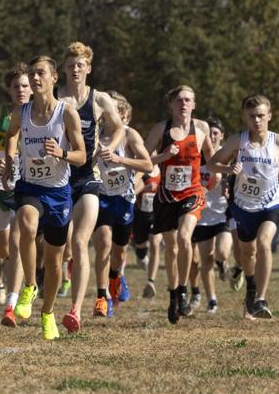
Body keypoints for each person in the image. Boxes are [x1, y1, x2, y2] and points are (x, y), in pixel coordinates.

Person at [3, 56, 86, 340]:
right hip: (30, 186)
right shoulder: (21, 113)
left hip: (58, 192)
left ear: (53, 79)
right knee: (26, 223)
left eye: (41, 74)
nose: (35, 79)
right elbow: (11, 134)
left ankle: (48, 312)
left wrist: (61, 153)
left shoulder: (67, 114)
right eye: (32, 74)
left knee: (54, 261)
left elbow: (82, 155)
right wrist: (9, 159)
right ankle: (29, 286)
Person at [209, 94, 279, 318]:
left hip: (271, 203)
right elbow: (212, 163)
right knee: (246, 252)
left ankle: (261, 298)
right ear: (245, 117)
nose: (257, 120)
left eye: (261, 115)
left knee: (264, 243)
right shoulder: (237, 141)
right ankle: (250, 289)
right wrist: (229, 170)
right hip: (243, 205)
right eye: (252, 116)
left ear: (269, 116)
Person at [57, 42, 125, 333]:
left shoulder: (99, 99)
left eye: (80, 65)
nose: (75, 69)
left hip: (89, 177)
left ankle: (76, 311)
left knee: (80, 242)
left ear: (88, 68)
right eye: (70, 64)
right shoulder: (57, 98)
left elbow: (119, 125)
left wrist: (109, 145)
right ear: (64, 68)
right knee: (59, 248)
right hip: (59, 179)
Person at [144, 86, 216, 324]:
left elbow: (213, 161)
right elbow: (143, 161)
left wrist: (215, 181)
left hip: (192, 193)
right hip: (166, 197)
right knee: (171, 249)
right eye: (179, 100)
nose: (183, 104)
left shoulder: (202, 128)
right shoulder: (160, 129)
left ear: (194, 105)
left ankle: (183, 290)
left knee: (185, 239)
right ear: (171, 105)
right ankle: (174, 292)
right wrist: (162, 157)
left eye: (188, 100)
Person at [92, 92, 152, 316]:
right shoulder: (94, 134)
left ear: (122, 114)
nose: (105, 113)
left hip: (124, 199)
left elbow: (147, 164)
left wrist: (121, 159)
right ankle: (102, 296)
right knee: (103, 242)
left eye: (112, 109)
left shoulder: (129, 135)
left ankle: (116, 276)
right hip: (101, 197)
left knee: (119, 252)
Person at [0, 65, 29, 323]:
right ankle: (12, 270)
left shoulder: (38, 116)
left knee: (16, 242)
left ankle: (11, 302)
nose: (21, 90)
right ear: (9, 90)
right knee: (2, 249)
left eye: (25, 86)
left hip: (24, 187)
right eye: (16, 86)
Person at [190, 119, 233, 314]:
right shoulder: (197, 155)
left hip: (223, 214)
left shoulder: (229, 155)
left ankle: (223, 263)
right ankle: (212, 299)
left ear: (222, 135)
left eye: (216, 133)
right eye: (210, 133)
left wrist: (231, 189)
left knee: (222, 253)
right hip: (203, 215)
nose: (213, 136)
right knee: (205, 260)